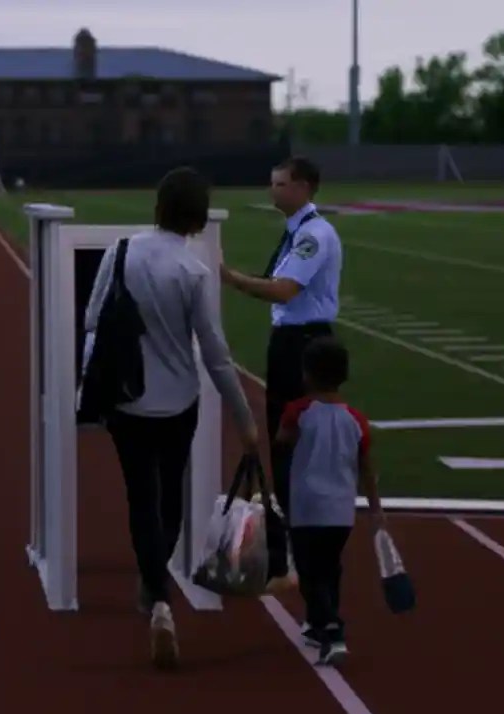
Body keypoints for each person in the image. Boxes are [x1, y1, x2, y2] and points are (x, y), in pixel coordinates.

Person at [83, 166, 259, 671]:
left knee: (140, 495)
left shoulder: (120, 251)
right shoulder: (194, 271)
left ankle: (157, 598)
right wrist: (243, 417)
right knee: (169, 496)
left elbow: (93, 321)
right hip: (180, 399)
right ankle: (155, 581)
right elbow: (217, 354)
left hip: (125, 398)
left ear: (159, 205)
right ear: (198, 218)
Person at [219, 156, 342, 580]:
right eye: (273, 183)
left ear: (305, 187)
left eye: (282, 184)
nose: (274, 190)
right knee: (284, 442)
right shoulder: (297, 232)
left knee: (294, 442)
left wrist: (231, 278)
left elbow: (286, 290)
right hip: (294, 342)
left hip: (304, 343)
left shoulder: (313, 235)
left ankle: (303, 543)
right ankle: (294, 537)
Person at [274, 336, 384, 667]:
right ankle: (316, 623)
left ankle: (332, 628)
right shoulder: (356, 419)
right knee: (330, 566)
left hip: (307, 506)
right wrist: (376, 508)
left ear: (307, 374)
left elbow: (282, 443)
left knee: (309, 572)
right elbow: (366, 468)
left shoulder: (297, 412)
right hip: (341, 509)